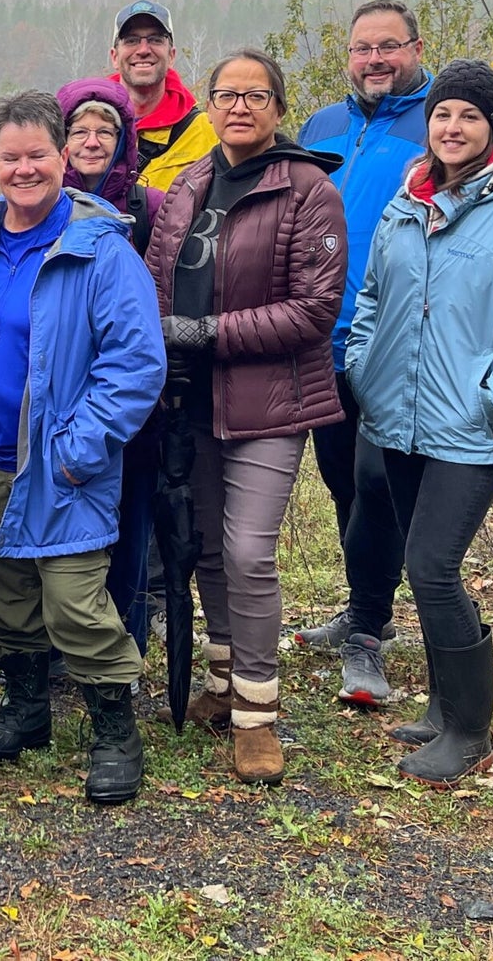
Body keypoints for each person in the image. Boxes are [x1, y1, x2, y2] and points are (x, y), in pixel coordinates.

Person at [0, 91, 165, 805]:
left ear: (63, 157)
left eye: (37, 155)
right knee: (5, 596)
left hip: (62, 465)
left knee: (75, 604)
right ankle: (26, 713)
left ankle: (115, 733)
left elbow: (135, 363)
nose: (24, 169)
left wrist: (75, 448)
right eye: (10, 156)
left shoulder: (101, 249)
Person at [344, 61, 493, 785]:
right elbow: (376, 297)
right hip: (398, 417)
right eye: (443, 115)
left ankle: (469, 730)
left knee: (432, 567)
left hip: (471, 423)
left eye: (469, 117)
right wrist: (363, 365)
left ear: (492, 128)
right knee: (428, 566)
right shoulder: (407, 201)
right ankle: (445, 708)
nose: (452, 128)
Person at [144, 50, 346, 783]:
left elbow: (315, 309)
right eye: (226, 94)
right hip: (187, 398)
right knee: (202, 548)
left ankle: (258, 716)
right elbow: (158, 284)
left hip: (270, 401)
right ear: (209, 104)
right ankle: (224, 680)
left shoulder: (308, 191)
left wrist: (208, 334)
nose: (238, 107)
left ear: (278, 109)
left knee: (248, 552)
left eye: (254, 96)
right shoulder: (190, 183)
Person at [294, 0, 434, 704]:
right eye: (361, 48)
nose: (375, 60)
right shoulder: (322, 126)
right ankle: (361, 602)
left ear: (415, 48)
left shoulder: (442, 121)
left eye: (389, 47)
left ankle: (369, 634)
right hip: (321, 342)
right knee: (342, 480)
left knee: (380, 486)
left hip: (397, 344)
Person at [55, 78, 164, 650]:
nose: (92, 141)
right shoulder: (39, 206)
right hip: (57, 392)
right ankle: (57, 648)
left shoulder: (152, 209)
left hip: (130, 400)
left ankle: (127, 647)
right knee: (60, 524)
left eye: (106, 130)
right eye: (79, 130)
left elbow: (169, 289)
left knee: (130, 528)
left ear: (126, 141)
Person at [107, 1, 218, 193]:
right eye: (131, 40)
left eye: (156, 39)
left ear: (172, 56)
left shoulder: (207, 132)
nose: (143, 50)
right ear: (115, 57)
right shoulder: (84, 127)